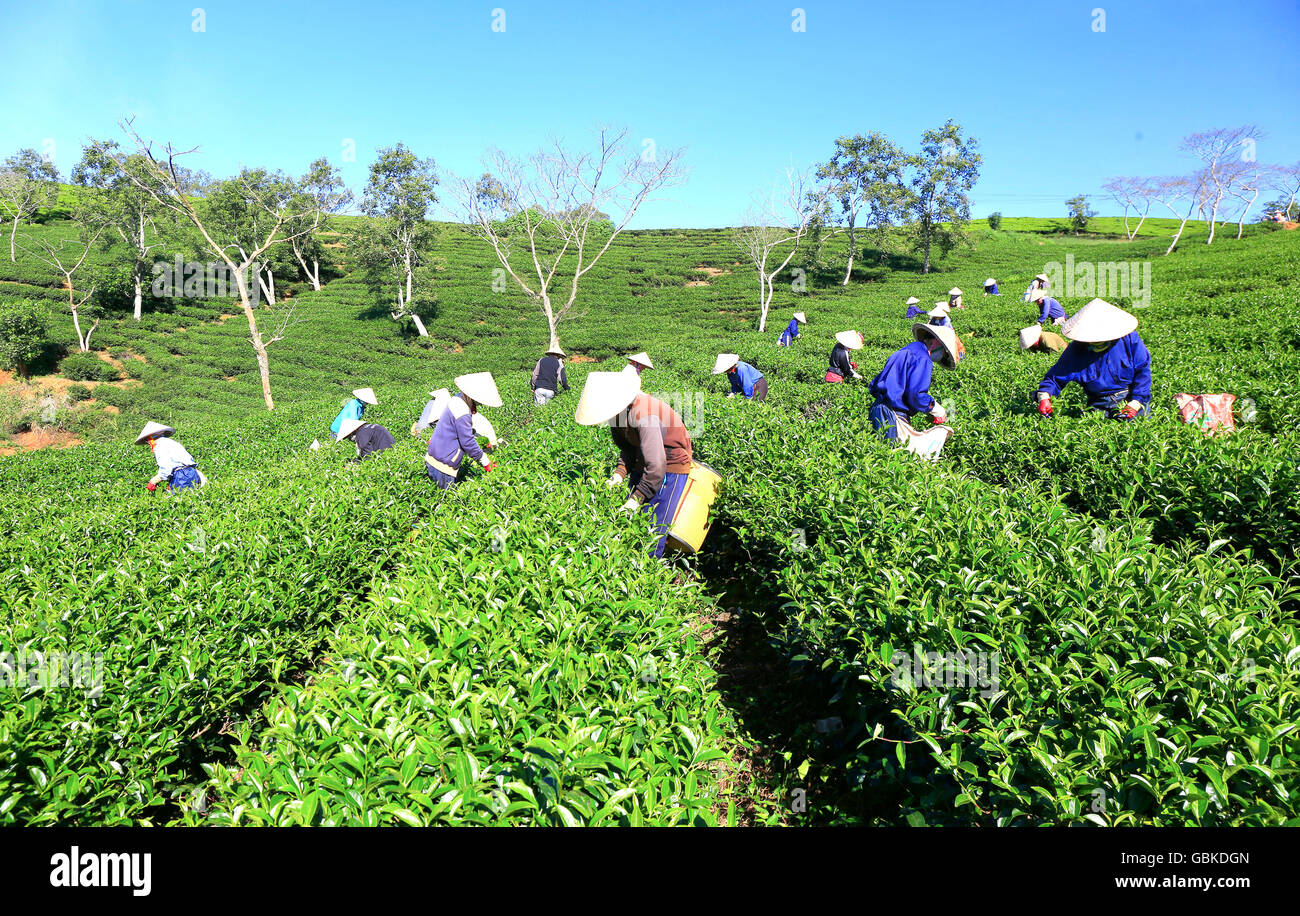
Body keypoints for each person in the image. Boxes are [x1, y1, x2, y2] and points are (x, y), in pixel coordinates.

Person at [575, 370, 693, 559]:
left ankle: (651, 572)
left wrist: (636, 498)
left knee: (654, 528)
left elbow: (657, 464)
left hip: (669, 466)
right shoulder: (618, 414)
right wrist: (619, 473)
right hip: (643, 461)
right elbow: (628, 448)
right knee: (635, 523)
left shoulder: (644, 413)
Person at [1037, 299, 1151, 420]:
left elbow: (1143, 371)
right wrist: (1044, 397)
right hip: (1099, 404)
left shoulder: (1129, 339)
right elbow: (1055, 377)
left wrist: (1135, 402)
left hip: (1131, 398)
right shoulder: (1077, 349)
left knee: (1137, 428)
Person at [868, 323, 965, 440]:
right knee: (894, 453)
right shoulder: (923, 358)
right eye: (944, 351)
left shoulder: (909, 349)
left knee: (880, 449)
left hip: (878, 408)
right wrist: (936, 409)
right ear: (936, 342)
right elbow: (916, 395)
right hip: (891, 414)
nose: (942, 355)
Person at [425, 372, 501, 488]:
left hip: (435, 457)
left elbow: (458, 430)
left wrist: (480, 439)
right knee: (446, 500)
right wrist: (486, 462)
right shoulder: (462, 411)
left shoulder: (457, 399)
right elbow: (467, 441)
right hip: (443, 466)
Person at [137, 421, 207, 492]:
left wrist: (153, 481)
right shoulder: (170, 442)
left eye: (147, 441)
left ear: (151, 438)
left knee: (180, 499)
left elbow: (166, 468)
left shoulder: (160, 446)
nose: (148, 443)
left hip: (182, 476)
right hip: (191, 473)